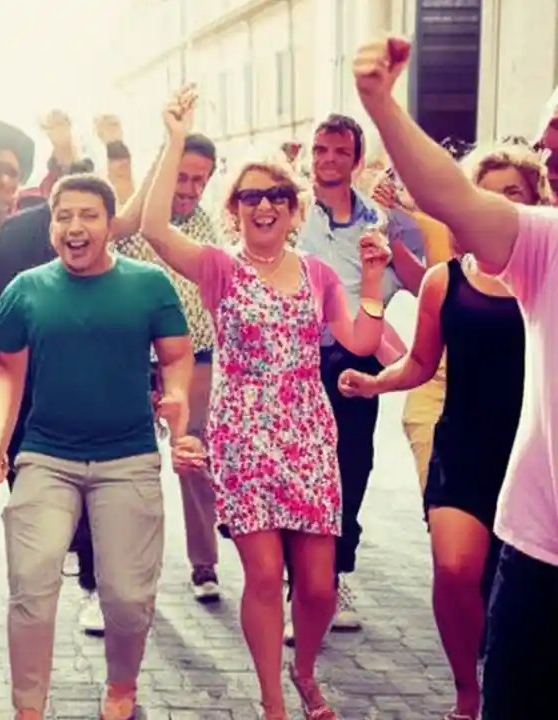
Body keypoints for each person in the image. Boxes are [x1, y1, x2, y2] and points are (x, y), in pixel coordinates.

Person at [141, 85, 388, 720]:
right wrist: (173, 141)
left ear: (293, 207)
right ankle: (274, 697)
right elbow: (152, 228)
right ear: (236, 209)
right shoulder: (222, 268)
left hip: (308, 429)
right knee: (260, 575)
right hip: (245, 432)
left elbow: (359, 339)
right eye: (251, 196)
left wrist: (377, 280)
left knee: (317, 586)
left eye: (277, 195)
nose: (265, 204)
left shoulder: (319, 275)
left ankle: (304, 670)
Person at [355, 36, 558, 720]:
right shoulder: (536, 250)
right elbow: (445, 196)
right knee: (457, 573)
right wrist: (381, 105)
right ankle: (466, 689)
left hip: (514, 449)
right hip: (495, 476)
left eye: (513, 193)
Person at [0, 173, 194, 720]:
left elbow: (176, 357)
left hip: (127, 457)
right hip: (46, 457)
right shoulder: (25, 290)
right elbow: (6, 376)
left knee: (126, 597)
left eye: (88, 216)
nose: (75, 227)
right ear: (51, 224)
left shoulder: (148, 284)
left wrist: (176, 402)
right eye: (64, 217)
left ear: (109, 225)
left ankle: (121, 687)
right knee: (31, 584)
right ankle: (28, 707)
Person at [290, 112, 425, 635]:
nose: (329, 159)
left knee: (351, 467)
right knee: (296, 472)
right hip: (295, 355)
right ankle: (297, 588)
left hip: (356, 358)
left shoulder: (381, 217)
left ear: (357, 159)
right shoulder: (288, 209)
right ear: (310, 154)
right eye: (321, 149)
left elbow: (421, 282)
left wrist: (394, 242)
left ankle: (337, 573)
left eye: (340, 151)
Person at [113, 131, 225, 607]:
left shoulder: (209, 226)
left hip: (197, 359)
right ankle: (125, 570)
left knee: (194, 457)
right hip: (134, 364)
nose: (188, 188)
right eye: (180, 176)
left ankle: (205, 564)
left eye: (198, 180)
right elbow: (118, 231)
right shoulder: (140, 217)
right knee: (133, 464)